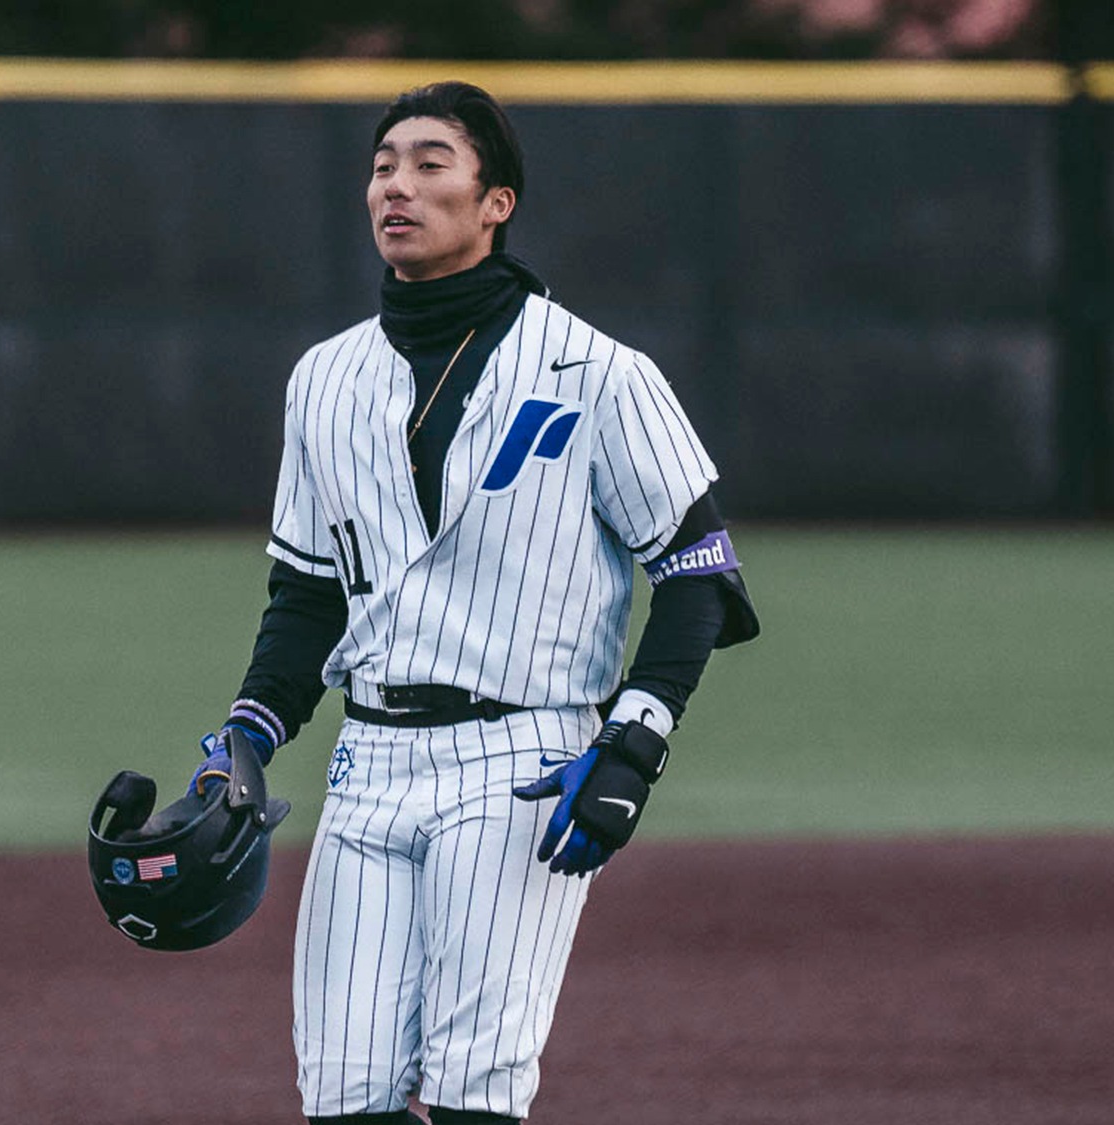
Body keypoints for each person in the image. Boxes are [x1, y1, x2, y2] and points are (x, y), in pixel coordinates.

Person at [189, 81, 758, 1124]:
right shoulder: (322, 379)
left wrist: (632, 742)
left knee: (470, 1092)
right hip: (366, 768)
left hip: (524, 764)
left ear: (495, 202)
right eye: (380, 165)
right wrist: (248, 731)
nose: (394, 186)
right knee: (343, 1094)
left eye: (427, 163)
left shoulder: (597, 372)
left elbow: (697, 575)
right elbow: (308, 593)